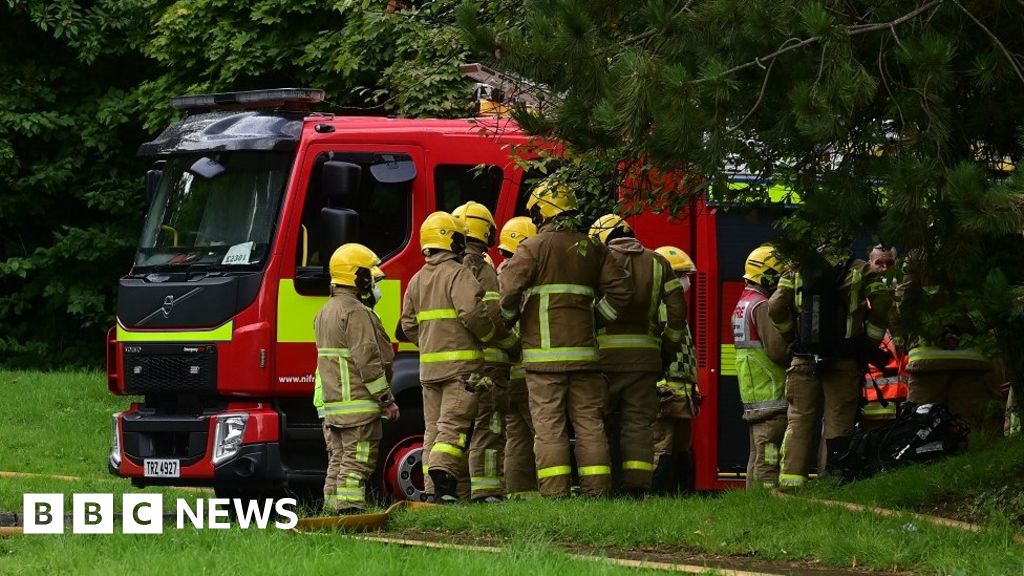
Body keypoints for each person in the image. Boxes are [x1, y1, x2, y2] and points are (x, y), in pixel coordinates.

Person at [499, 181, 631, 498]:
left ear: (542, 211)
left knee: (549, 427)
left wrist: (509, 318)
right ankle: (597, 491)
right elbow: (622, 290)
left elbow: (508, 291)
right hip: (585, 357)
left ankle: (556, 493)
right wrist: (596, 318)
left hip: (543, 360)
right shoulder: (591, 247)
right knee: (590, 425)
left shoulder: (532, 247)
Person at [400, 211, 507, 503]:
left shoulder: (416, 279)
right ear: (454, 240)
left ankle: (433, 493)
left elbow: (407, 324)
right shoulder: (458, 274)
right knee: (453, 425)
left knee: (433, 429)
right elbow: (472, 312)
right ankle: (443, 479)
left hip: (429, 370)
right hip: (461, 368)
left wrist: (429, 343)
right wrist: (487, 335)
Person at [770, 244, 896, 488]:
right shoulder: (861, 269)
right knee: (838, 421)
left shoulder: (797, 269)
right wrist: (869, 342)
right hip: (844, 361)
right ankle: (831, 482)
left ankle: (790, 484)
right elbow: (882, 302)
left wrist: (791, 336)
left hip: (803, 359)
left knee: (799, 420)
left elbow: (775, 306)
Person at [589, 215, 686, 496]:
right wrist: (668, 348)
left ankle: (601, 486)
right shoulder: (658, 262)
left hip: (602, 358)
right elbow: (677, 311)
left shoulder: (597, 259)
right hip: (645, 359)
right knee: (638, 424)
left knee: (598, 422)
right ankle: (637, 487)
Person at [314, 243, 398, 513]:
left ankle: (331, 511)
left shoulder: (325, 311)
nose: (373, 282)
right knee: (357, 460)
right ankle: (350, 510)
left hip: (334, 406)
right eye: (370, 275)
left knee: (338, 460)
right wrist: (386, 399)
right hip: (358, 406)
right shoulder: (356, 313)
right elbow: (368, 361)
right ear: (358, 276)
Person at [452, 201, 518, 502]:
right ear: (486, 232)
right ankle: (487, 491)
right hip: (489, 366)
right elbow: (492, 316)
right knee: (488, 429)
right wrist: (512, 345)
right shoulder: (484, 270)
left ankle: (460, 492)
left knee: (458, 432)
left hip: (456, 367)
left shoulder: (448, 269)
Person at [732, 245, 790, 488]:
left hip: (755, 396)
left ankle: (753, 501)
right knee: (769, 458)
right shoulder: (762, 306)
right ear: (768, 275)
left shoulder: (743, 303)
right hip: (771, 394)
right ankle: (768, 501)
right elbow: (777, 351)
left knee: (756, 456)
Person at [650, 245, 701, 495]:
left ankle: (679, 495)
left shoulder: (675, 308)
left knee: (681, 447)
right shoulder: (659, 308)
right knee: (662, 445)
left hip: (682, 395)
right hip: (667, 393)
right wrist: (659, 386)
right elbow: (657, 351)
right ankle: (656, 495)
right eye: (681, 275)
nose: (686, 281)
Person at [496, 216, 539, 499]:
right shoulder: (525, 279)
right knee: (543, 431)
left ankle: (519, 493)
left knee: (516, 436)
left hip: (506, 373)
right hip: (527, 371)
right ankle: (552, 489)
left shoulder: (498, 275)